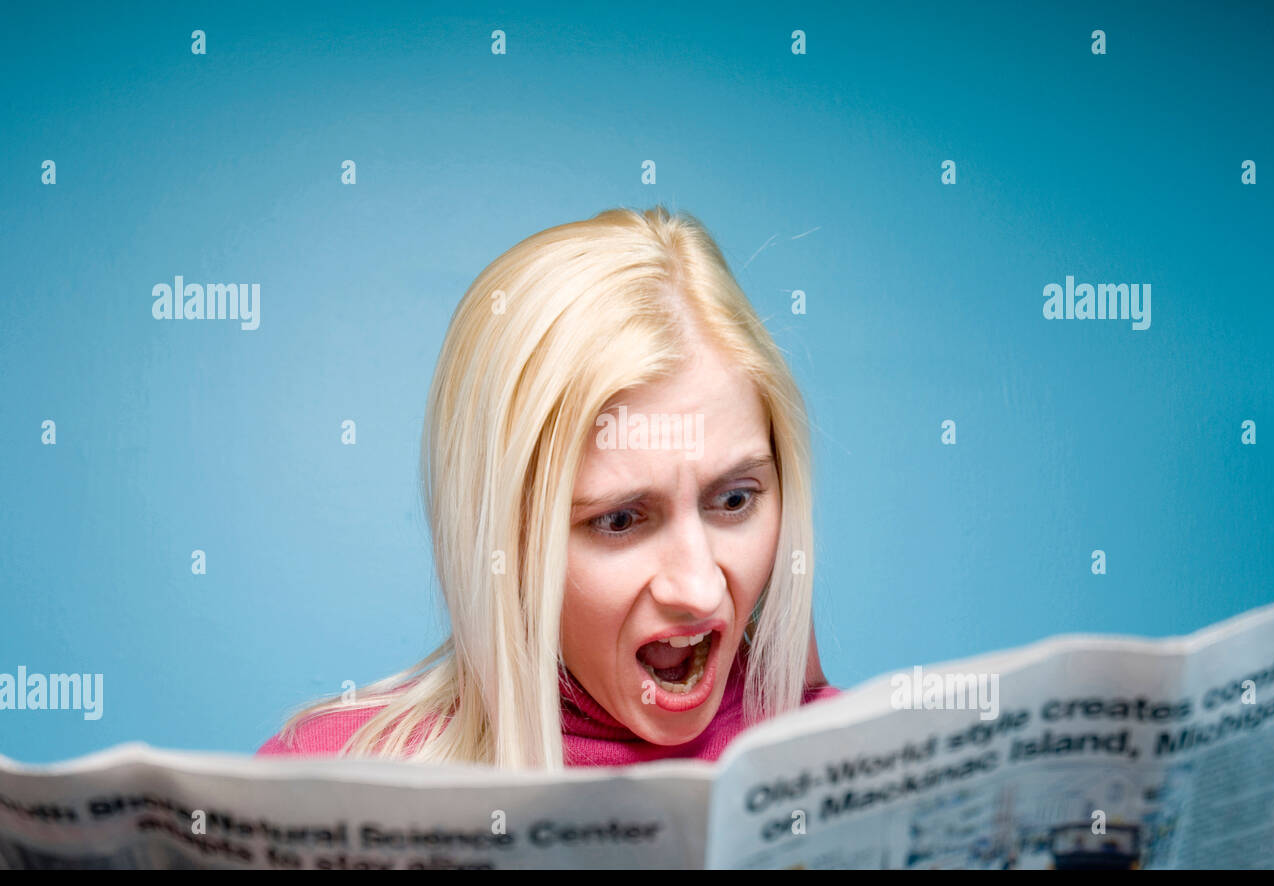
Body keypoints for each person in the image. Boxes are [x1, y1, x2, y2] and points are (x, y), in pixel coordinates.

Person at [256, 205, 839, 770]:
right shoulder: (332, 779)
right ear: (505, 537)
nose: (700, 589)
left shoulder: (842, 759)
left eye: (734, 500)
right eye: (619, 520)